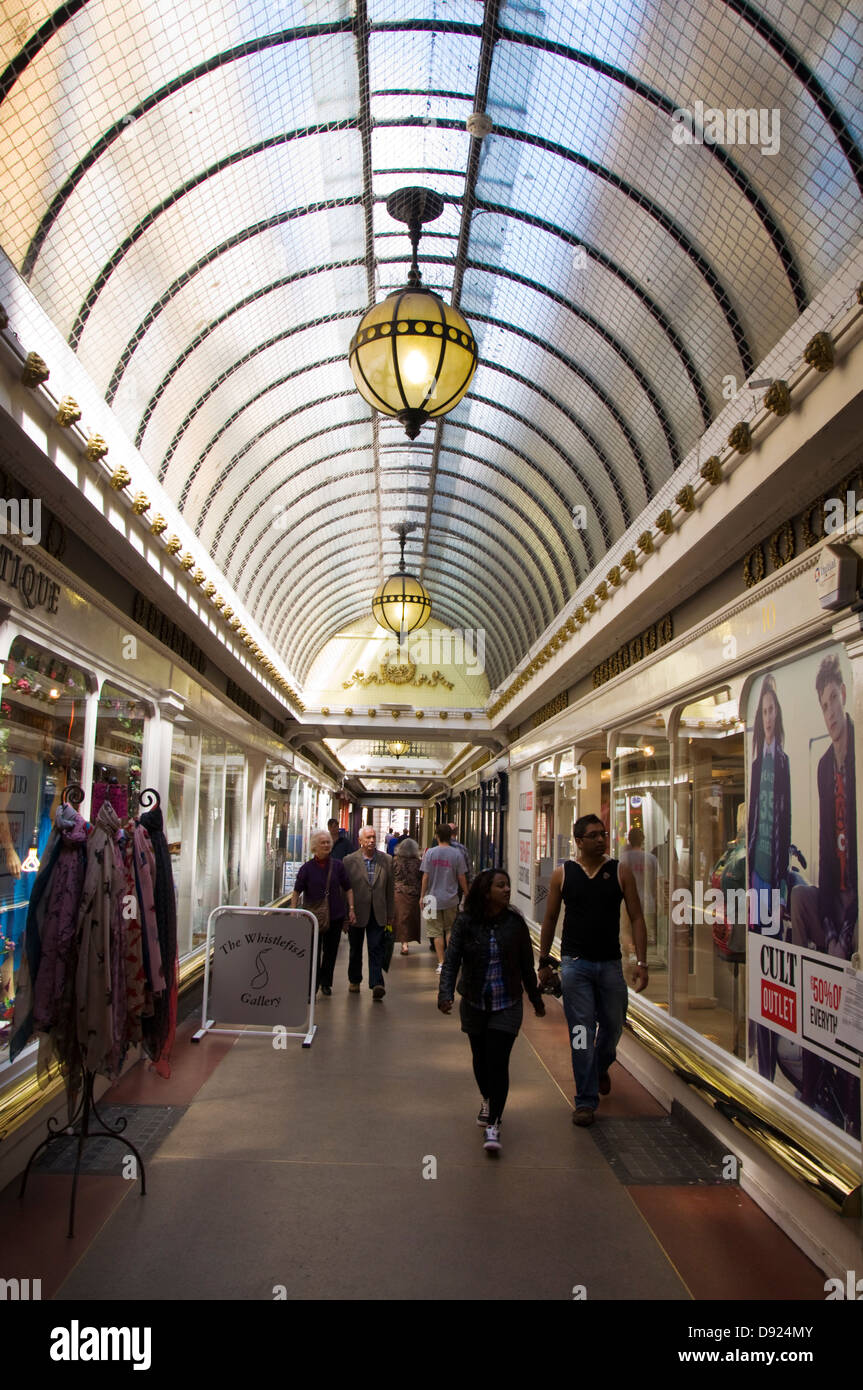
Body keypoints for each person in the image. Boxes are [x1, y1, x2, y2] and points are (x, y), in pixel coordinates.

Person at [538, 813, 648, 1126]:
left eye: (603, 834)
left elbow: (637, 917)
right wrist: (545, 959)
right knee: (581, 1033)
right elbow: (549, 919)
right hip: (575, 965)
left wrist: (641, 961)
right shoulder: (563, 875)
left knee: (613, 1026)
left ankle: (600, 1065)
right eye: (594, 835)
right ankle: (585, 1100)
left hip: (610, 964)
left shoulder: (619, 872)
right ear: (579, 841)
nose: (601, 839)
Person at [791, 654, 858, 1129]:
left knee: (838, 982)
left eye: (834, 700)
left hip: (858, 898)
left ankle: (847, 1105)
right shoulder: (820, 765)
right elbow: (822, 850)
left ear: (846, 697)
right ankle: (813, 1091)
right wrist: (831, 925)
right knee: (798, 898)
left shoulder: (858, 752)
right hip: (836, 899)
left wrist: (847, 926)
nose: (829, 712)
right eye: (823, 704)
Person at [438, 869, 545, 1153]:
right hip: (474, 1001)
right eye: (501, 886)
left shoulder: (515, 923)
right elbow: (452, 961)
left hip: (507, 1002)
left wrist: (535, 999)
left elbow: (525, 966)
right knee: (480, 1058)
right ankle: (487, 1097)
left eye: (508, 885)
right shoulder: (466, 922)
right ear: (486, 891)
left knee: (498, 1062)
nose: (507, 890)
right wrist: (445, 993)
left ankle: (494, 1123)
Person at [746, 674, 791, 1081]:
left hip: (772, 880)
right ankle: (762, 1063)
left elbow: (785, 823)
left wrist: (778, 886)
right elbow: (753, 826)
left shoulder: (783, 763)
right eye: (764, 711)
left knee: (774, 970)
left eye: (772, 710)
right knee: (761, 970)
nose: (769, 717)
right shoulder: (758, 762)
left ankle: (771, 1061)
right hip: (756, 878)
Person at [290, 830, 355, 997]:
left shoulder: (338, 866)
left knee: (331, 951)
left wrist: (351, 909)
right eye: (322, 843)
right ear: (314, 847)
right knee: (313, 951)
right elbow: (297, 891)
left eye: (328, 842)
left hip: (335, 915)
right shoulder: (307, 868)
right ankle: (312, 984)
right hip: (313, 917)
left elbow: (348, 888)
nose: (326, 845)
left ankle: (326, 983)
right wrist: (293, 911)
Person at [343, 826, 395, 999]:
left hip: (378, 912)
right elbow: (344, 889)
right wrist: (345, 914)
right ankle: (354, 980)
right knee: (355, 949)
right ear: (360, 841)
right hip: (356, 912)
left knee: (376, 948)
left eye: (373, 837)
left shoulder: (387, 860)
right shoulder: (349, 861)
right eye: (368, 838)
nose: (372, 840)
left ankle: (377, 983)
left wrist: (390, 914)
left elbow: (390, 890)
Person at [420, 824, 468, 975]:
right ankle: (450, 962)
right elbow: (462, 877)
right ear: (451, 836)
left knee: (436, 932)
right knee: (450, 930)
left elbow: (425, 876)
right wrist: (467, 893)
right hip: (451, 898)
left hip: (431, 898)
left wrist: (422, 896)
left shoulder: (430, 853)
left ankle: (441, 963)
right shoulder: (457, 854)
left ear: (437, 836)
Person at [619, 827, 660, 947]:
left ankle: (632, 957)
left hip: (627, 901)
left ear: (629, 840)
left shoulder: (624, 857)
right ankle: (642, 959)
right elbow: (658, 881)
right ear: (642, 840)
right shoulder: (651, 858)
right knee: (644, 934)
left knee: (627, 932)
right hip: (648, 901)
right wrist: (658, 900)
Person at [392, 836, 422, 955]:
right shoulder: (418, 863)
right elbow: (422, 878)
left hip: (398, 894)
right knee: (409, 919)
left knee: (400, 919)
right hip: (414, 895)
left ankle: (403, 943)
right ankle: (405, 943)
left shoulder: (395, 861)